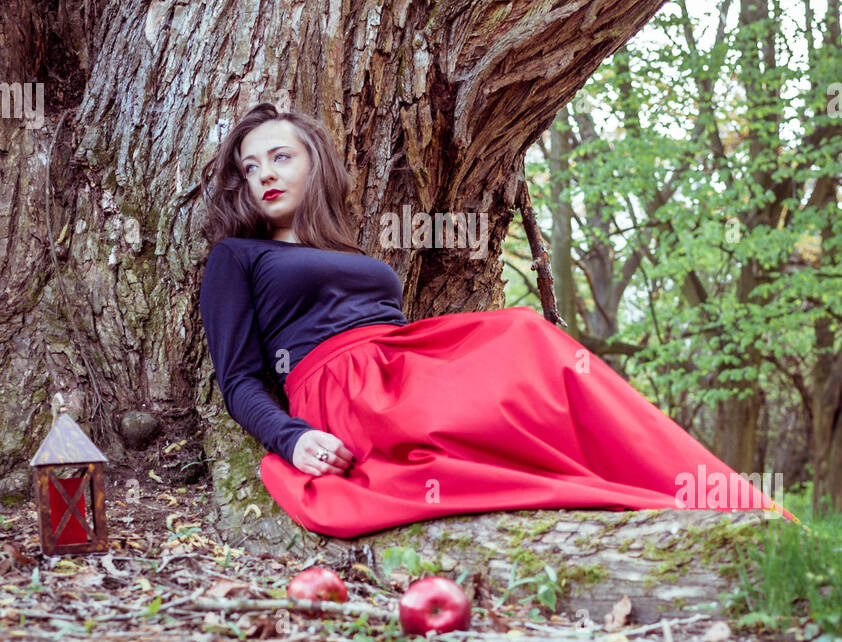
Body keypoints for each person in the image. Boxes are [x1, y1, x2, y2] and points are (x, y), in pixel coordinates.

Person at [197, 102, 797, 537]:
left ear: (315, 164)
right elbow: (240, 381)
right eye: (250, 168)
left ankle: (720, 499)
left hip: (405, 357)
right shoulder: (239, 257)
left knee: (528, 334)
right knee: (495, 385)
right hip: (346, 389)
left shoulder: (348, 252)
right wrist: (292, 438)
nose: (265, 174)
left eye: (280, 157)